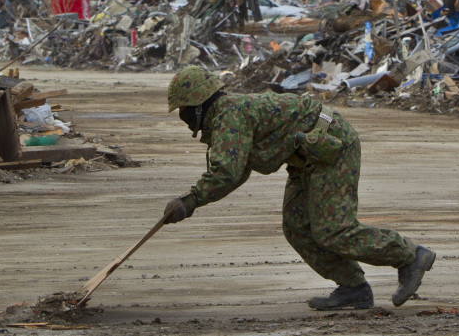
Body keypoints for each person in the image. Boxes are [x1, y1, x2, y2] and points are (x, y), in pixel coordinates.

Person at [163, 66, 436, 310]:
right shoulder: (227, 114)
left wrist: (190, 201)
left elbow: (227, 172)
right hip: (305, 158)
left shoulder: (230, 113)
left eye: (184, 109)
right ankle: (353, 288)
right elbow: (237, 169)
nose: (183, 116)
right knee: (297, 226)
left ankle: (410, 256)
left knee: (333, 229)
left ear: (199, 104)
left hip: (331, 148)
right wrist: (191, 201)